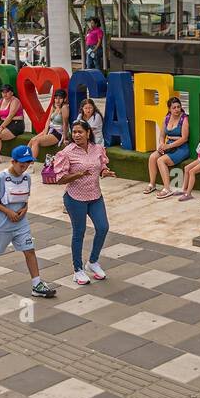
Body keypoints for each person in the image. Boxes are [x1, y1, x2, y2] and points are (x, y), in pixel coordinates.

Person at [0, 146, 58, 301]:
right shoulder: (1, 178)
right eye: (22, 164)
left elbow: (25, 200)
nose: (24, 167)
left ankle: (37, 285)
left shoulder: (27, 178)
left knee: (29, 250)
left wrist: (24, 210)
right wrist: (8, 212)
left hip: (21, 224)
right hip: (2, 224)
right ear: (13, 161)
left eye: (28, 164)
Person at [53, 120, 116, 285]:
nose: (76, 135)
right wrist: (78, 174)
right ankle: (78, 270)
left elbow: (100, 166)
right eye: (74, 132)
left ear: (88, 133)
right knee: (78, 233)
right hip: (75, 199)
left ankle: (93, 262)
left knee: (103, 228)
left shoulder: (97, 149)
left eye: (80, 132)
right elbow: (59, 179)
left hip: (95, 196)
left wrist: (105, 171)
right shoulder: (67, 153)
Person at [144, 96, 189, 199]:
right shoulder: (167, 118)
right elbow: (162, 135)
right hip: (168, 145)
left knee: (161, 160)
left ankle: (167, 188)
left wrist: (169, 145)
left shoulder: (184, 119)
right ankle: (152, 184)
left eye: (178, 107)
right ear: (169, 109)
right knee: (152, 157)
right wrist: (161, 145)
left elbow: (184, 138)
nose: (177, 109)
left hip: (181, 148)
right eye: (174, 107)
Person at [28, 88, 69, 160]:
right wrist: (45, 132)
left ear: (64, 99)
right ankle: (23, 160)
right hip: (50, 129)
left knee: (36, 141)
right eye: (56, 98)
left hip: (58, 133)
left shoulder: (64, 107)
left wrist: (65, 138)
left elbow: (65, 124)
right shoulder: (53, 106)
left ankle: (30, 164)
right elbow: (48, 120)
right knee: (32, 140)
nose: (57, 100)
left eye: (60, 98)